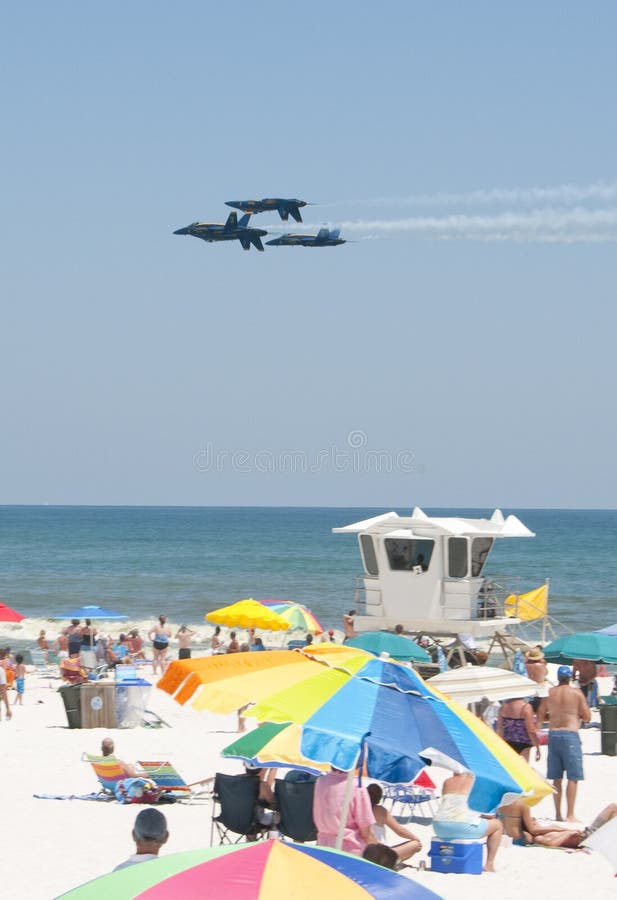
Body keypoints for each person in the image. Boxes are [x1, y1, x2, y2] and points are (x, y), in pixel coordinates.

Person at [536, 664, 591, 822]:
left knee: (556, 778)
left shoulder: (550, 693)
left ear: (558, 678)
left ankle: (558, 814)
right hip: (570, 734)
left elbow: (540, 717)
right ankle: (570, 814)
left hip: (553, 735)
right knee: (573, 777)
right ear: (570, 677)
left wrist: (551, 717)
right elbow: (587, 717)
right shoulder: (576, 693)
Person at [432, 770, 502, 872]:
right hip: (462, 827)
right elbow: (489, 816)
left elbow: (451, 805)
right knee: (498, 825)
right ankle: (489, 864)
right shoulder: (479, 783)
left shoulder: (447, 781)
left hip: (439, 826)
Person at [496, 797, 617, 848]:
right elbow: (552, 841)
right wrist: (564, 831)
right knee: (613, 808)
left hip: (584, 835)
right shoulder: (539, 837)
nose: (534, 820)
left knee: (613, 809)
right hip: (585, 837)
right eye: (532, 820)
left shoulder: (501, 804)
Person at [313, 769, 377, 854]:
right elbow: (366, 832)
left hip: (323, 844)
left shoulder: (321, 781)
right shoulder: (356, 786)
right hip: (350, 849)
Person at [366, 783, 422, 862]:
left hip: (364, 852)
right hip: (381, 855)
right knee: (415, 844)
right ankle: (393, 863)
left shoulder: (360, 809)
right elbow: (400, 830)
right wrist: (416, 839)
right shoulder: (380, 810)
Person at [497, 697, 541, 762]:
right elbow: (531, 730)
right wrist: (537, 747)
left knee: (511, 768)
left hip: (508, 743)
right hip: (524, 743)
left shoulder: (502, 707)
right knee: (523, 768)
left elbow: (499, 729)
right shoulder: (526, 707)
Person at [525, 647, 549, 711]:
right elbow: (546, 673)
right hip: (540, 691)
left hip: (529, 691)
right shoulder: (541, 665)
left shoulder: (525, 665)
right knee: (540, 712)